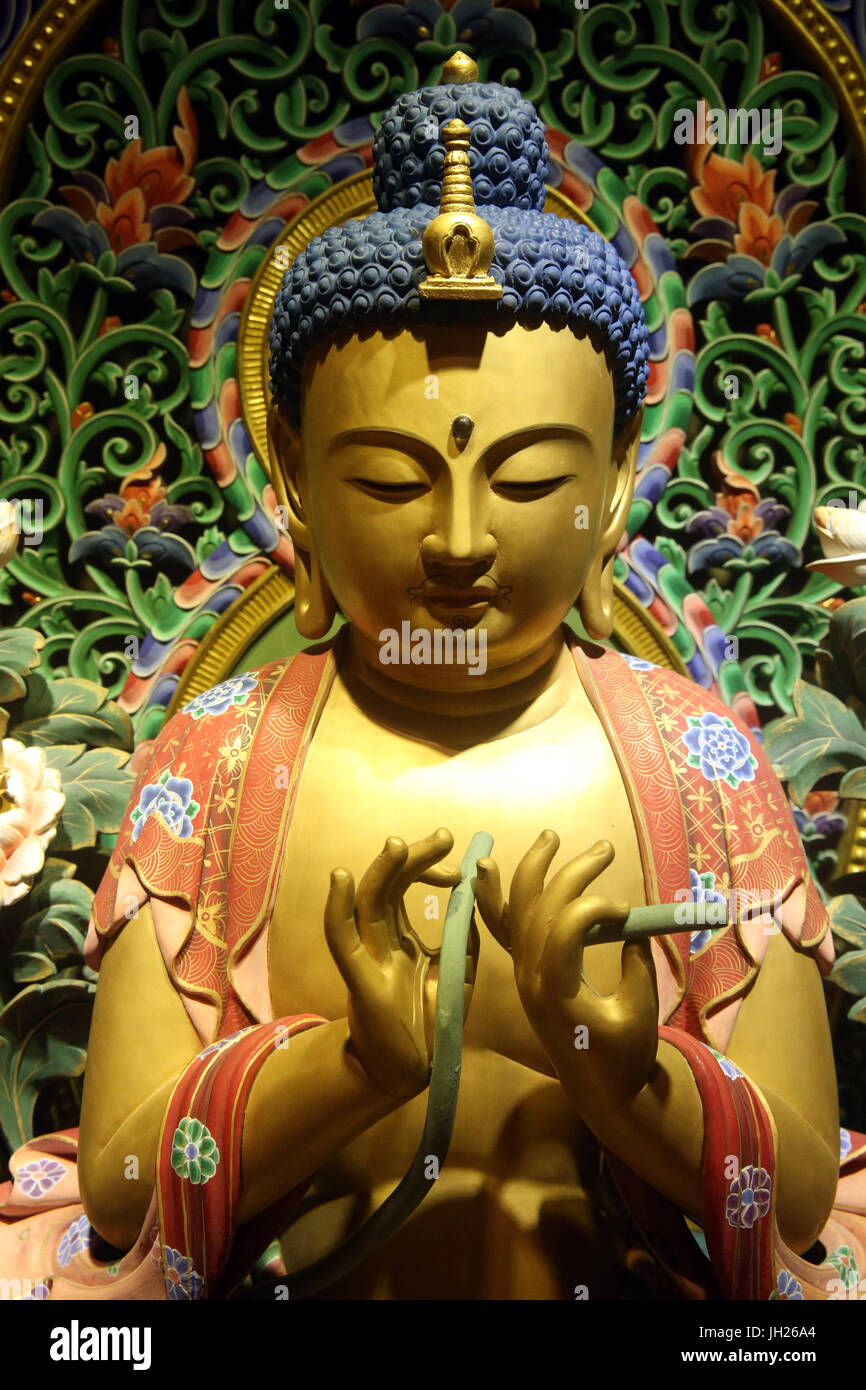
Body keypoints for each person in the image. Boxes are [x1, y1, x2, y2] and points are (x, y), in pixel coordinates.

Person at [2, 55, 864, 1302]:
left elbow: (790, 1203)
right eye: (393, 480)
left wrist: (607, 1067)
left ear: (613, 481)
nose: (459, 540)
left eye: (523, 479)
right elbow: (125, 1189)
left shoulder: (700, 767)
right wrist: (357, 1064)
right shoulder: (217, 762)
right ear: (293, 479)